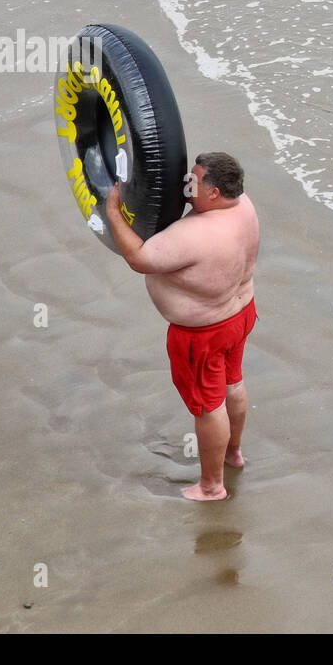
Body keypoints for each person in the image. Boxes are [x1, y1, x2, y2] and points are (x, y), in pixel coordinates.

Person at [106, 151, 260, 501]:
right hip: (240, 314)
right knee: (232, 383)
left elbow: (139, 259)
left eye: (195, 179)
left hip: (203, 333)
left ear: (214, 193)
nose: (187, 182)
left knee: (209, 407)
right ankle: (233, 453)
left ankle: (211, 486)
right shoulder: (243, 206)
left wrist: (113, 211)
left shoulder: (193, 234)